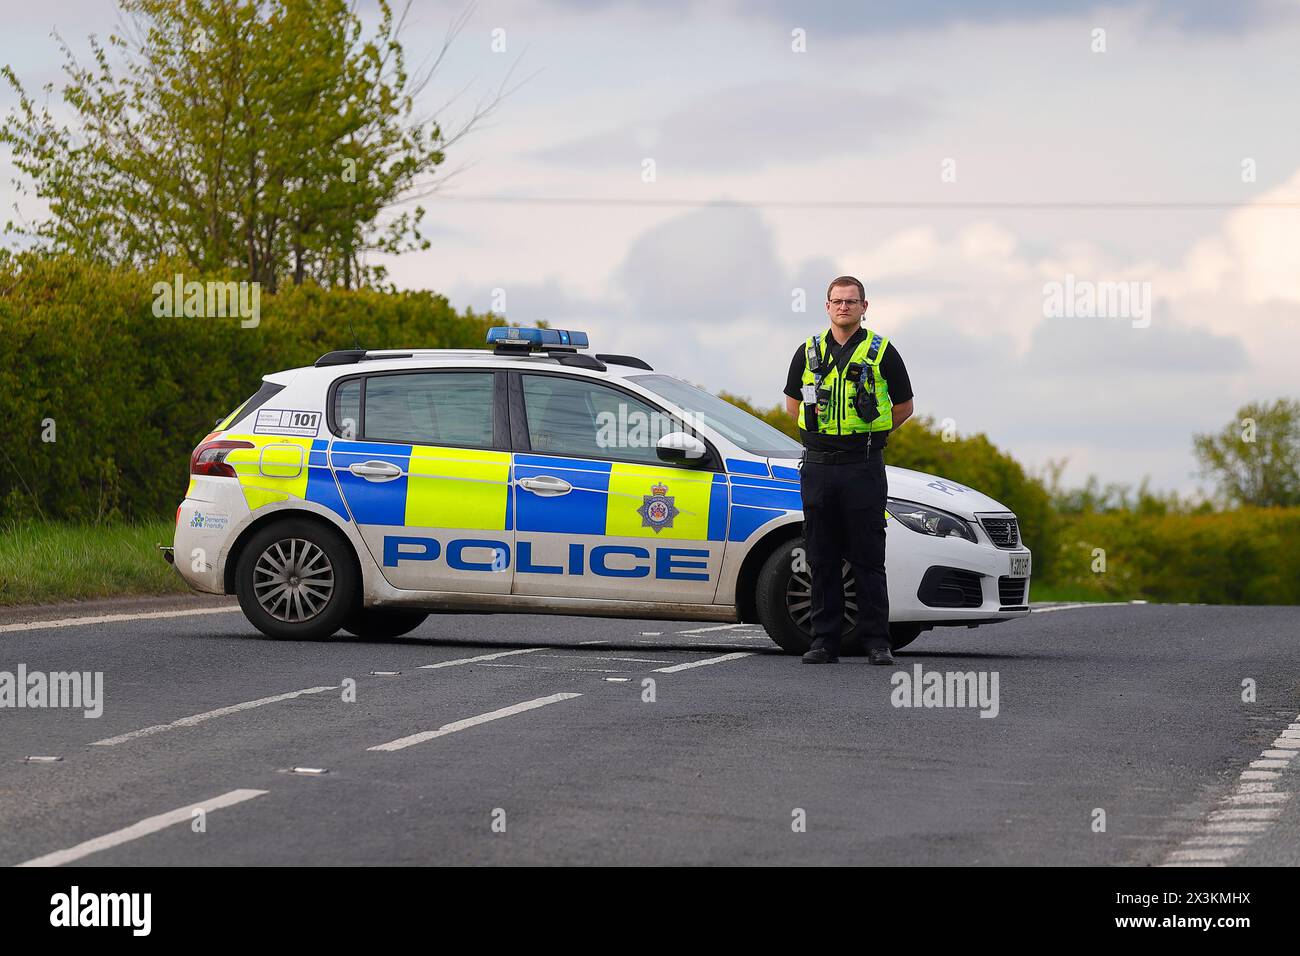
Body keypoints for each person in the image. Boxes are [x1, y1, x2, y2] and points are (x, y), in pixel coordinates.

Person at [782, 276, 914, 664]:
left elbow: (904, 405)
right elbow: (792, 403)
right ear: (827, 306)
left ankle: (877, 641)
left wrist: (872, 434)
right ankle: (824, 640)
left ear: (864, 307)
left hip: (863, 465)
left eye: (851, 302)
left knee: (868, 555)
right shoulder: (808, 352)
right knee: (820, 556)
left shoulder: (882, 351)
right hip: (819, 465)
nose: (844, 307)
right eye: (837, 301)